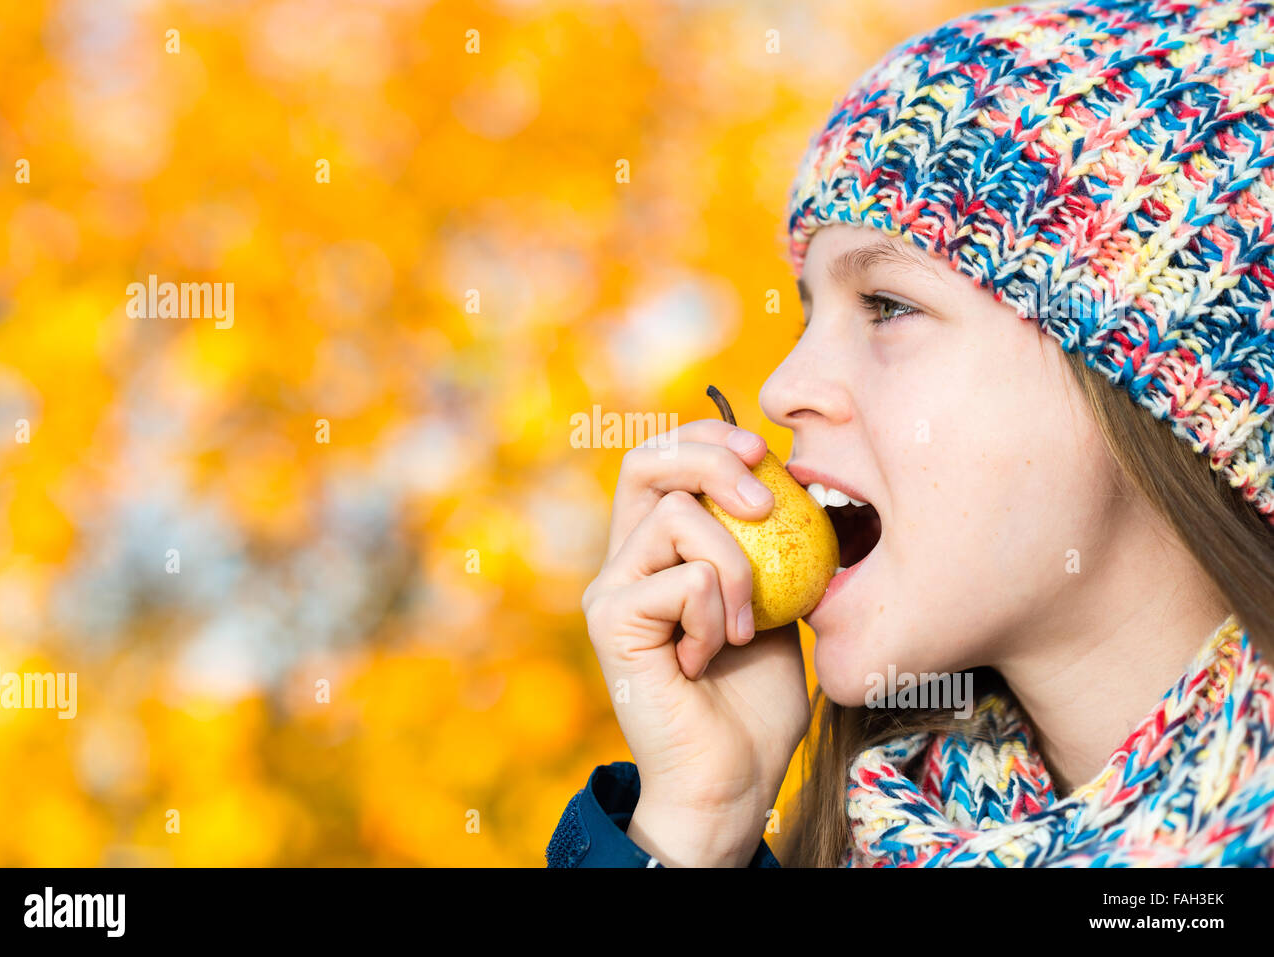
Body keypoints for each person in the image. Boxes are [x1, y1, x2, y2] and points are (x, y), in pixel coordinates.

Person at [546, 0, 1274, 867]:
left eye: (887, 305)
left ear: (1159, 372)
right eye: (808, 313)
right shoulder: (864, 831)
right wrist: (698, 825)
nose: (781, 389)